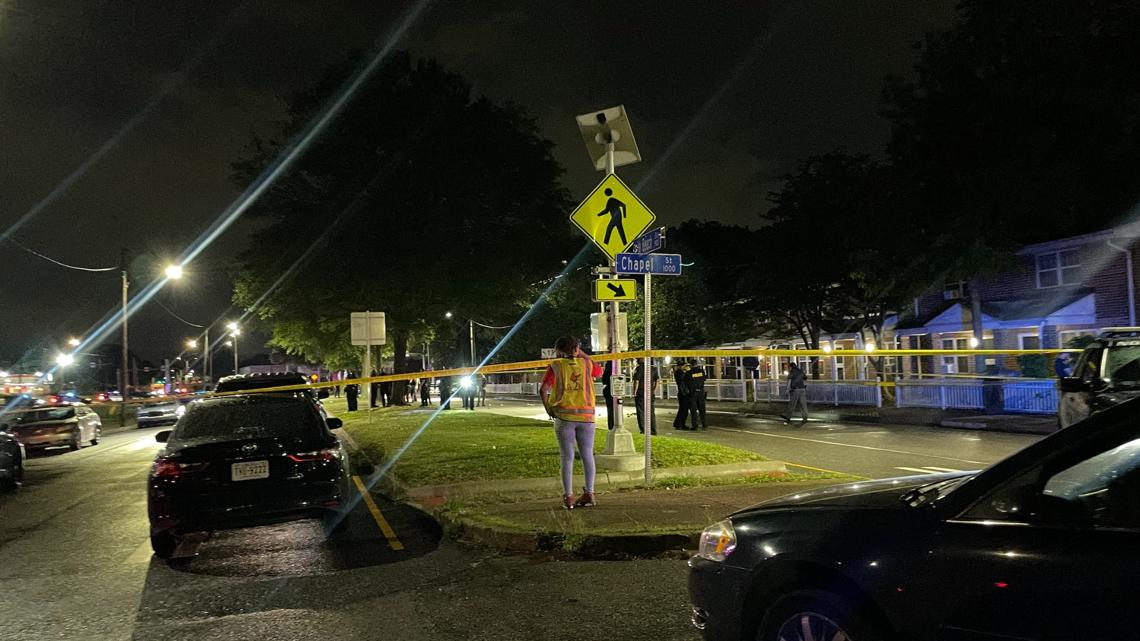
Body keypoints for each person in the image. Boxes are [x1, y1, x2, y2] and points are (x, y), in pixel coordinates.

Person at [539, 335, 603, 510]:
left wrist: (548, 409)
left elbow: (543, 389)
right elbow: (600, 372)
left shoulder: (556, 366)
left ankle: (568, 497)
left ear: (558, 351)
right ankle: (589, 493)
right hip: (587, 417)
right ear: (577, 348)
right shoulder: (587, 364)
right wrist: (581, 353)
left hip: (564, 417)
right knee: (587, 455)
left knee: (567, 457)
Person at [633, 359, 659, 435]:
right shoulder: (654, 368)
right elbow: (657, 381)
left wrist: (634, 392)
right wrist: (654, 390)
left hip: (641, 392)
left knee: (640, 411)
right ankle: (653, 430)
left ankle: (643, 429)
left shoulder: (640, 368)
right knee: (651, 411)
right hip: (650, 392)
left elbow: (637, 381)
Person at [684, 359, 708, 431]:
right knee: (702, 409)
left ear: (691, 365)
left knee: (693, 410)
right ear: (697, 364)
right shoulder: (701, 371)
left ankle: (695, 426)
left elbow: (685, 381)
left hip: (693, 393)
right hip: (701, 391)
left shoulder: (689, 373)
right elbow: (704, 379)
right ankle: (704, 424)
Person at [783, 361, 808, 425]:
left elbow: (789, 381)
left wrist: (787, 389)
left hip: (795, 390)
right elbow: (805, 378)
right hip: (802, 389)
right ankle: (805, 417)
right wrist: (805, 387)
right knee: (803, 404)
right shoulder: (800, 371)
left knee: (792, 404)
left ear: (791, 367)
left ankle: (788, 417)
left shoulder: (792, 371)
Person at [673, 362, 691, 430]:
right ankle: (680, 424)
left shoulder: (679, 372)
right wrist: (687, 372)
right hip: (683, 393)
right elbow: (684, 380)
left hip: (682, 393)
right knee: (683, 410)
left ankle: (678, 423)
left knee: (682, 409)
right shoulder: (679, 373)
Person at [601, 364, 615, 430]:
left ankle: (611, 425)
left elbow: (604, 381)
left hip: (608, 391)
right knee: (614, 409)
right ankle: (614, 424)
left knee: (610, 410)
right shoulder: (616, 371)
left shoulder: (607, 371)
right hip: (614, 391)